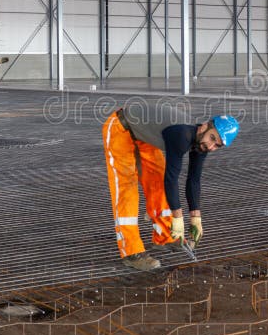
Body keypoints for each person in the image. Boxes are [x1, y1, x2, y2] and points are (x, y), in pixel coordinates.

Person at [102, 104, 239, 271]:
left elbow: (194, 180)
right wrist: (178, 218)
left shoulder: (201, 141)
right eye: (212, 138)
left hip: (143, 135)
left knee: (157, 183)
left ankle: (166, 237)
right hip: (120, 128)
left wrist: (196, 219)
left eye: (217, 145)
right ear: (205, 126)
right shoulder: (182, 135)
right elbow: (172, 179)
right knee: (127, 191)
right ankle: (131, 252)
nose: (211, 147)